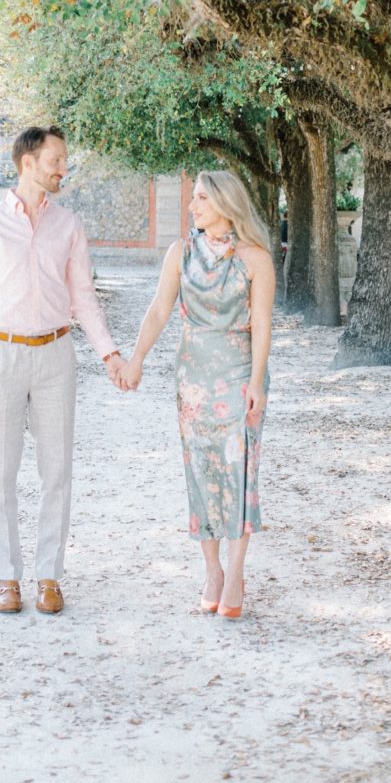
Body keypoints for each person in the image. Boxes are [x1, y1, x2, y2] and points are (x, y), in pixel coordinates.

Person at [0, 126, 130, 616]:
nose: (63, 169)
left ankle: (49, 576)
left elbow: (83, 298)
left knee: (57, 471)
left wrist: (110, 355)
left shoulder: (68, 225)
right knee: (0, 473)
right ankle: (6, 577)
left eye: (64, 160)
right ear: (27, 163)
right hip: (1, 355)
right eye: (56, 160)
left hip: (55, 356)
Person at [124, 170, 274, 620]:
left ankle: (236, 573)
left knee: (240, 473)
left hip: (240, 376)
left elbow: (262, 324)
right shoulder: (180, 253)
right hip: (193, 379)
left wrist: (257, 381)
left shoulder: (255, 258)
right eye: (194, 198)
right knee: (202, 472)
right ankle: (212, 571)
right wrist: (136, 360)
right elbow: (158, 311)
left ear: (227, 203)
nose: (193, 206)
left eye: (202, 198)